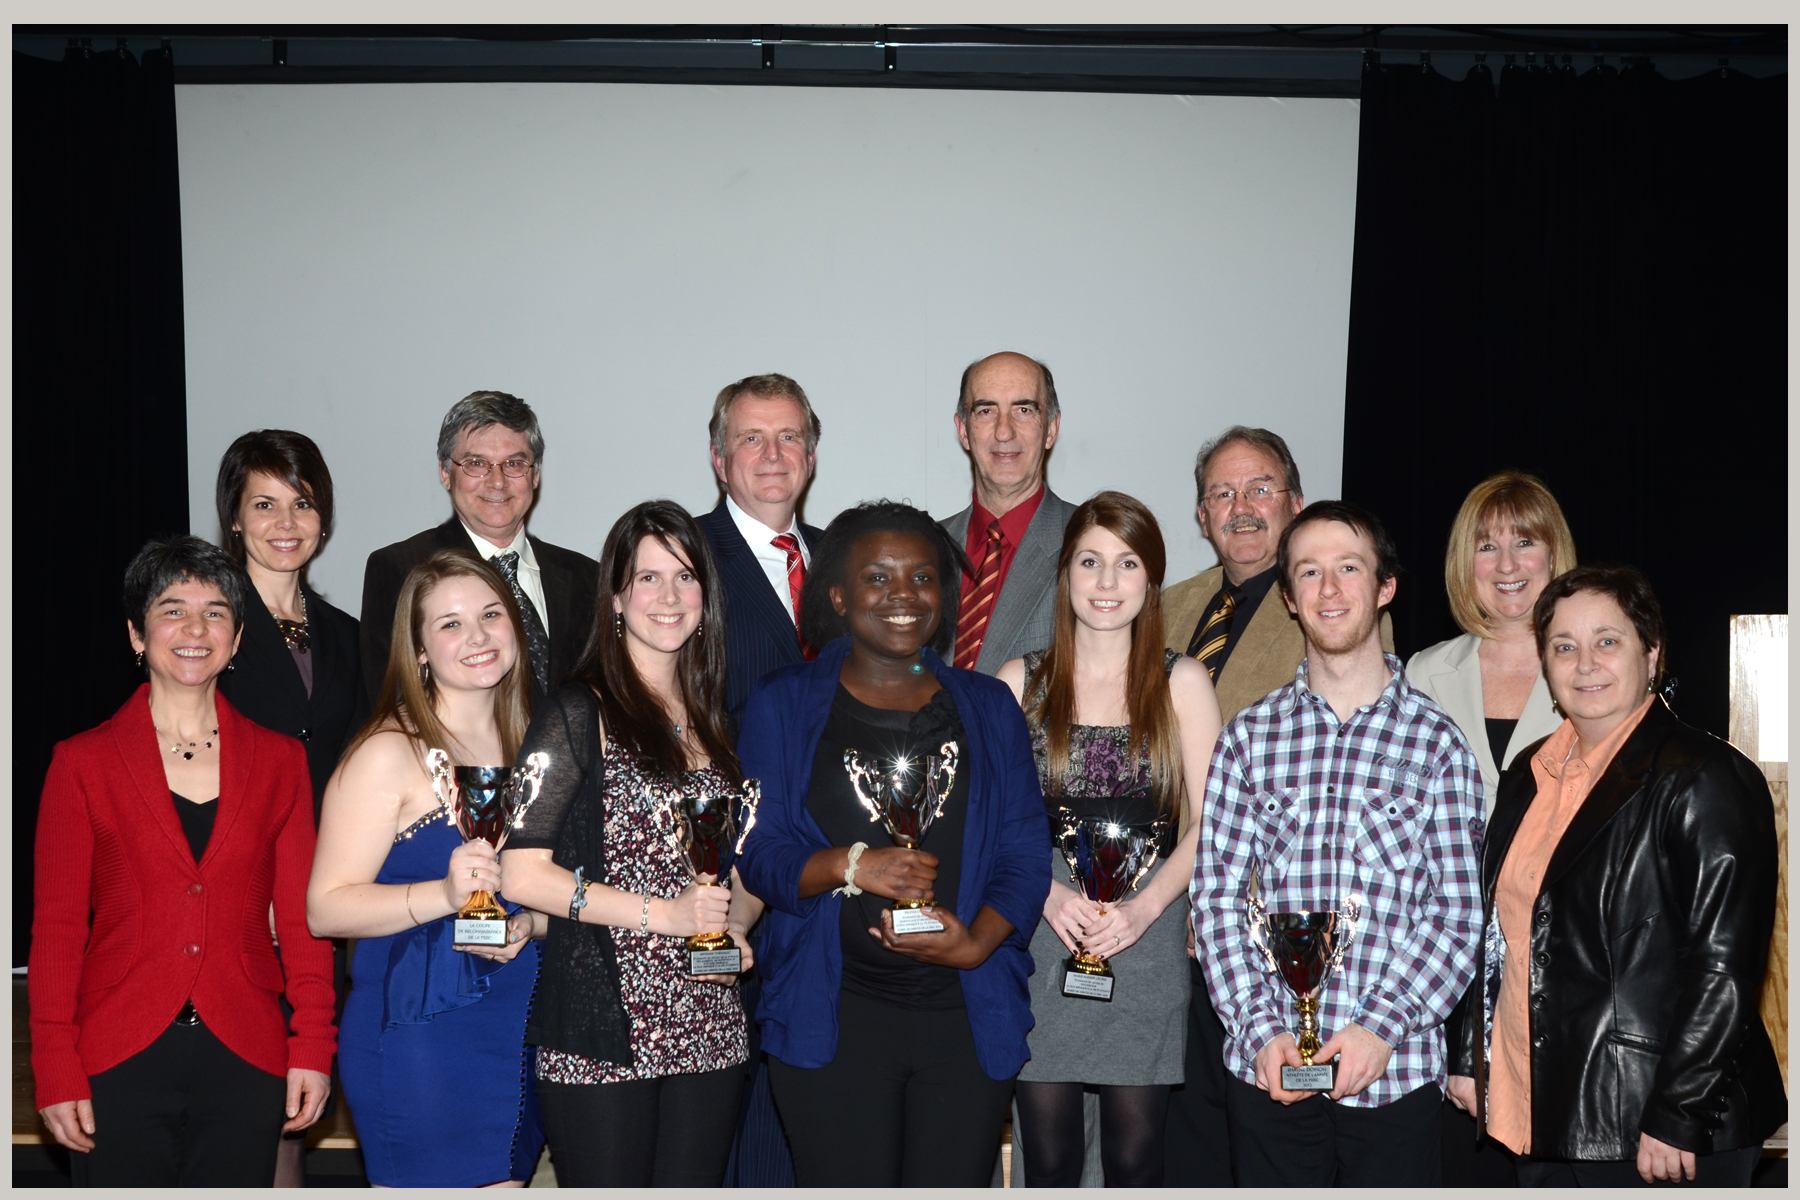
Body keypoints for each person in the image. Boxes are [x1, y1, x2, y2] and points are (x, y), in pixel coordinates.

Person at [736, 501, 1051, 1186]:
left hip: (964, 1015)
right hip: (834, 1013)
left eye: (922, 578)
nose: (904, 596)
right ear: (840, 596)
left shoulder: (990, 704)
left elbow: (1025, 854)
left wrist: (975, 943)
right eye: (878, 579)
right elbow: (760, 856)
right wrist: (854, 865)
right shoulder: (781, 703)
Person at [1446, 565, 1785, 1187]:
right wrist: (1473, 1052)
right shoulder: (1528, 773)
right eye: (1564, 647)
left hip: (1652, 1129)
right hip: (1541, 1112)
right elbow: (1495, 932)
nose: (1585, 664)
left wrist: (1678, 1114)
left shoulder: (1706, 778)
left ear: (1651, 654)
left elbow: (1725, 969)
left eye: (1608, 641)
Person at [1192, 501, 1484, 1187]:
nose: (1329, 590)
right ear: (1289, 598)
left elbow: (1456, 915)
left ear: (1384, 586)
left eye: (1348, 569)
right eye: (1310, 573)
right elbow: (1216, 902)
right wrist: (1261, 1030)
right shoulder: (1247, 738)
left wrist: (1380, 1029)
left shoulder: (1437, 745)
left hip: (1394, 1072)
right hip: (1269, 1074)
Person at [30, 537, 335, 1186]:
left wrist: (312, 1045)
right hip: (117, 1052)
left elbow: (304, 923)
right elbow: (58, 929)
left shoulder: (281, 761)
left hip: (246, 1050)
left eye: (216, 611)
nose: (195, 629)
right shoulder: (80, 762)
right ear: (137, 633)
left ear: (237, 635)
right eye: (173, 610)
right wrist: (55, 1065)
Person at [498, 501, 759, 1188]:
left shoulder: (716, 722)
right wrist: (664, 916)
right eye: (648, 579)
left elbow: (723, 871)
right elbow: (521, 873)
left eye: (684, 577)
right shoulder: (573, 713)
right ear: (616, 598)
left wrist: (730, 926)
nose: (668, 597)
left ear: (706, 596)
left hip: (708, 1024)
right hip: (601, 1029)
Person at [1159, 425, 1391, 1185]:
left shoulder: (1336, 607)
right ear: (1200, 517)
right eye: (1222, 494)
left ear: (1294, 501)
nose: (1242, 507)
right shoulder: (1164, 607)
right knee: (1193, 1127)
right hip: (1166, 914)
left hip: (1280, 941)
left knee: (1263, 1138)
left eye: (1261, 488)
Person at [996, 492, 1222, 1186]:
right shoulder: (1017, 684)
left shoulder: (1181, 681)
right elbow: (996, 825)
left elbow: (1215, 821)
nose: (1105, 582)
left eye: (1126, 564)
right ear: (1065, 574)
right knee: (1052, 1159)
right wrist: (1047, 897)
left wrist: (1146, 909)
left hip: (1146, 942)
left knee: (1134, 1159)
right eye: (1089, 562)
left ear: (1149, 580)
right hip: (1045, 935)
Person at [307, 549, 546, 1187]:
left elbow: (543, 891)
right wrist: (444, 893)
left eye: (492, 615)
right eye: (450, 624)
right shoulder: (387, 752)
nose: (477, 636)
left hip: (523, 1028)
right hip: (421, 1040)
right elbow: (325, 907)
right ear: (417, 650)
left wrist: (530, 926)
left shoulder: (540, 750)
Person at [1404, 471, 1577, 1186]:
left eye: (1525, 542)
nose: (1506, 565)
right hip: (1445, 967)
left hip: (1559, 969)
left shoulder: (1592, 667)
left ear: (1554, 554)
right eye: (1486, 545)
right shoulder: (1420, 673)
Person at [212, 428, 367, 1186]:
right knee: (236, 1109)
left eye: (301, 503)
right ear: (234, 518)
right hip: (231, 904)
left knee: (292, 1112)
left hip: (324, 903)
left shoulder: (348, 636)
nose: (284, 521)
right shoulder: (202, 631)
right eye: (263, 503)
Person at [693, 373, 823, 1186]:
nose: (772, 455)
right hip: (723, 880)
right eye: (752, 438)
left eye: (789, 438)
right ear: (718, 457)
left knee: (811, 1102)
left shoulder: (846, 561)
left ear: (811, 453)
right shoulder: (684, 561)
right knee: (729, 1110)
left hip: (830, 885)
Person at [360, 390, 599, 705]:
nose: (497, 481)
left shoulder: (587, 576)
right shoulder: (401, 568)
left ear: (536, 473)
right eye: (477, 464)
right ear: (446, 473)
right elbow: (392, 700)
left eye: (514, 463)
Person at [940, 351, 1078, 675]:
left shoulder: (1090, 544)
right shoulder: (923, 548)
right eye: (986, 411)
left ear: (1051, 429)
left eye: (1024, 410)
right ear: (963, 431)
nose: (1004, 431)